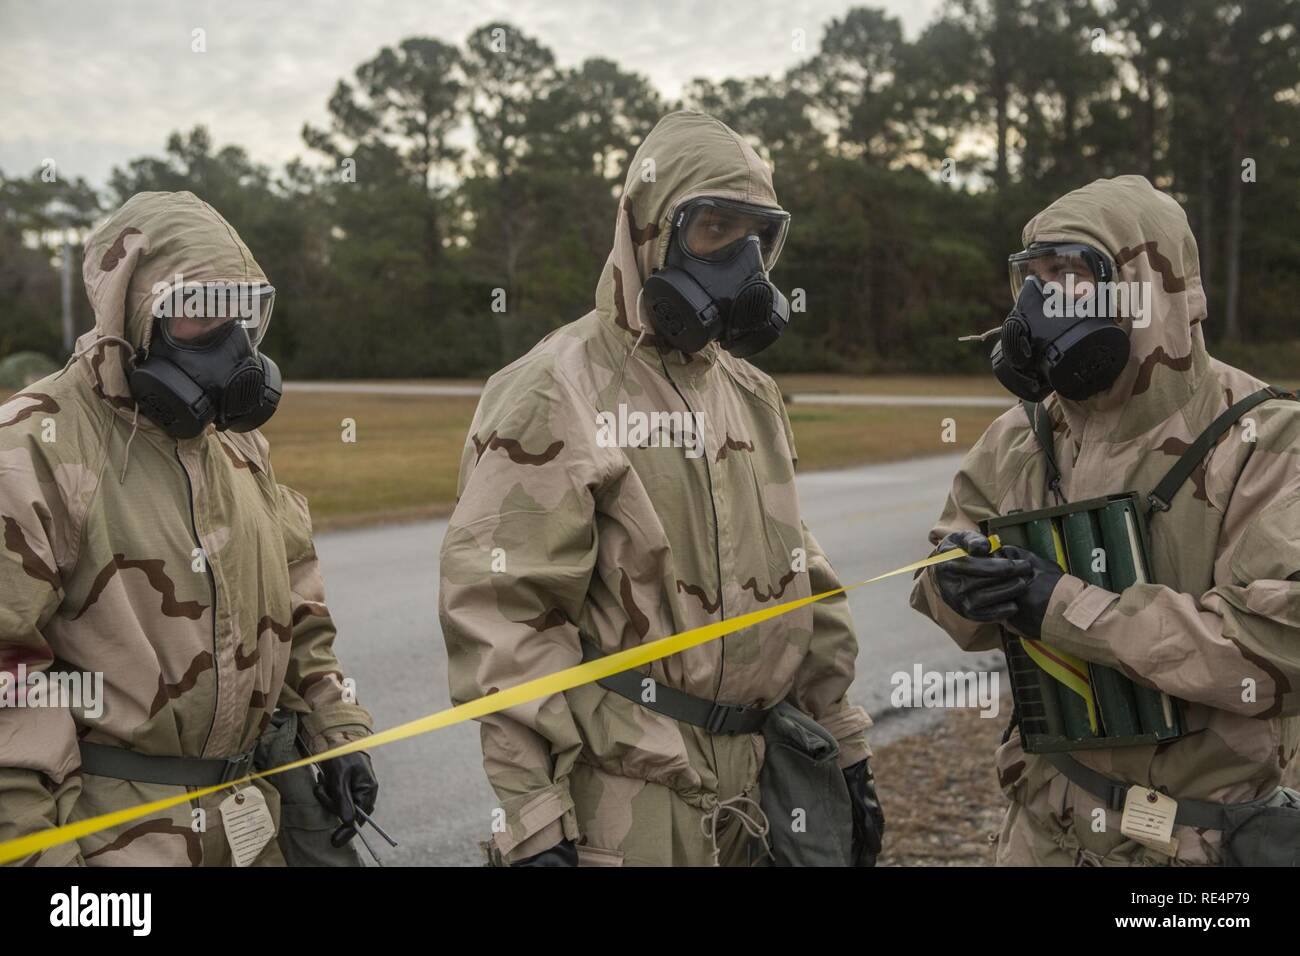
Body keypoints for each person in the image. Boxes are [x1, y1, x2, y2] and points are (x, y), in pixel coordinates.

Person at [439, 110, 883, 867]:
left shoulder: (750, 394)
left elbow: (802, 584)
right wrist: (534, 818)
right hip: (629, 799)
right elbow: (505, 616)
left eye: (758, 236)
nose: (741, 261)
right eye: (714, 228)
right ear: (651, 231)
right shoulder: (554, 389)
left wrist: (844, 748)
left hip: (760, 787)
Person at [910, 175, 1300, 866]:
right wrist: (959, 586)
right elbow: (947, 585)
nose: (1040, 301)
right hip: (1043, 833)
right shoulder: (1020, 437)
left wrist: (1059, 607)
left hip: (1197, 845)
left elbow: (1269, 654)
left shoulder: (1267, 442)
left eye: (1069, 273)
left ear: (1145, 287)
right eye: (1033, 275)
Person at [0, 190, 377, 866]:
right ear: (133, 312)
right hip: (111, 844)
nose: (230, 341)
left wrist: (336, 729)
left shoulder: (237, 448)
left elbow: (297, 607)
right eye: (201, 313)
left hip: (248, 824)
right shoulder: (36, 448)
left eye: (243, 312)